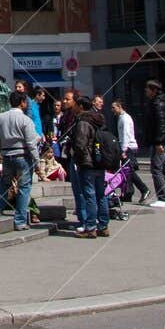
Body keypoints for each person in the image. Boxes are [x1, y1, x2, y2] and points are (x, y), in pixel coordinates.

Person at [0, 89, 40, 228]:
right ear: (23, 103)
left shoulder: (0, 118)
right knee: (24, 188)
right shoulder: (26, 120)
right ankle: (20, 221)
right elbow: (31, 143)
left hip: (7, 155)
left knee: (4, 185)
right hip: (23, 156)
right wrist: (36, 161)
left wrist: (2, 152)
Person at [69, 99, 110, 237]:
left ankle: (90, 227)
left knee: (89, 195)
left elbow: (80, 144)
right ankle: (103, 226)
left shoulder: (83, 122)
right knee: (101, 194)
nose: (73, 107)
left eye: (75, 104)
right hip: (100, 162)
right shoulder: (98, 120)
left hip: (87, 163)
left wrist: (79, 159)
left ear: (80, 106)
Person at [143, 80, 165, 207]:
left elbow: (161, 124)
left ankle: (164, 198)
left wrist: (158, 142)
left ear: (154, 90)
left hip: (160, 141)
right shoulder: (162, 101)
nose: (146, 91)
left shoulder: (157, 103)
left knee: (156, 169)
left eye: (148, 89)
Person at [111, 100, 149, 203]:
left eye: (114, 107)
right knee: (126, 171)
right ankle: (129, 193)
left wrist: (123, 150)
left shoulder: (125, 119)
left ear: (119, 107)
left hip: (127, 148)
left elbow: (126, 134)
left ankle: (143, 189)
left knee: (128, 171)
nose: (112, 110)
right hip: (126, 147)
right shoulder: (121, 118)